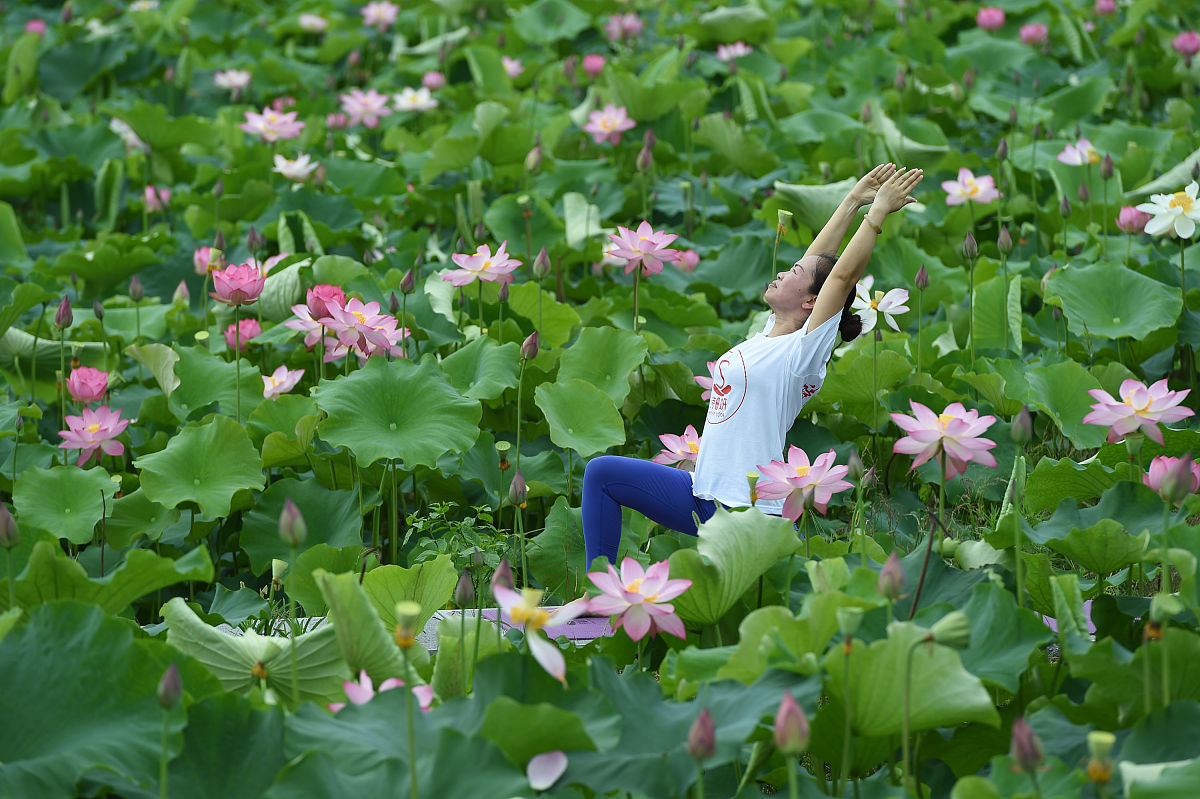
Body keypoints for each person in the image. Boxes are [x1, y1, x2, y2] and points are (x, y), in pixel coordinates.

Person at [581, 164, 924, 565]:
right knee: (601, 474)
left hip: (751, 510)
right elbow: (817, 263)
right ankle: (596, 593)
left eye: (792, 273)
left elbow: (840, 276)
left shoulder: (802, 354)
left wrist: (877, 213)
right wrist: (851, 201)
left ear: (811, 303)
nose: (782, 272)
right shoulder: (766, 335)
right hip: (701, 493)